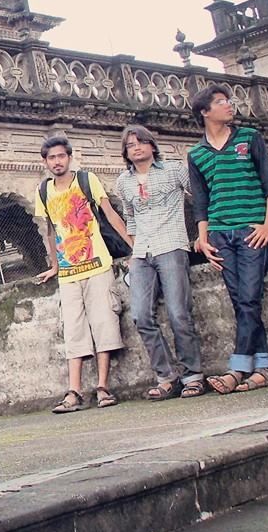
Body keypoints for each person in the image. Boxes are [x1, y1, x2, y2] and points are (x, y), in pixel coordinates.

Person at [188, 84, 268, 393]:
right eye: (221, 102)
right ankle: (264, 367)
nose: (229, 105)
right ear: (205, 112)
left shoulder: (249, 138)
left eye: (228, 100)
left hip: (251, 230)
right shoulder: (197, 154)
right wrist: (203, 238)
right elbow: (201, 202)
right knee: (240, 299)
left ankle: (238, 367)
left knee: (249, 296)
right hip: (219, 234)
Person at [34, 136, 133, 413]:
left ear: (69, 157)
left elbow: (110, 215)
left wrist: (133, 246)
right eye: (52, 158)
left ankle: (102, 387)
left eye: (61, 156)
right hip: (68, 272)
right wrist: (55, 266)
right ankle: (74, 391)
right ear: (45, 162)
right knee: (74, 330)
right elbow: (51, 231)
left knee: (104, 324)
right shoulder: (43, 191)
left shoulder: (87, 181)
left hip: (97, 264)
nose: (57, 162)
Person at [116, 125, 204, 400]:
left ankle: (193, 376)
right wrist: (134, 251)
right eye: (131, 145)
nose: (136, 148)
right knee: (141, 315)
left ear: (152, 145)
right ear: (126, 152)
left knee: (179, 313)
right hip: (142, 252)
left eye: (141, 142)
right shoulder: (123, 182)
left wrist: (204, 233)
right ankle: (167, 377)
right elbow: (130, 218)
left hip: (171, 245)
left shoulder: (174, 170)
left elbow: (200, 197)